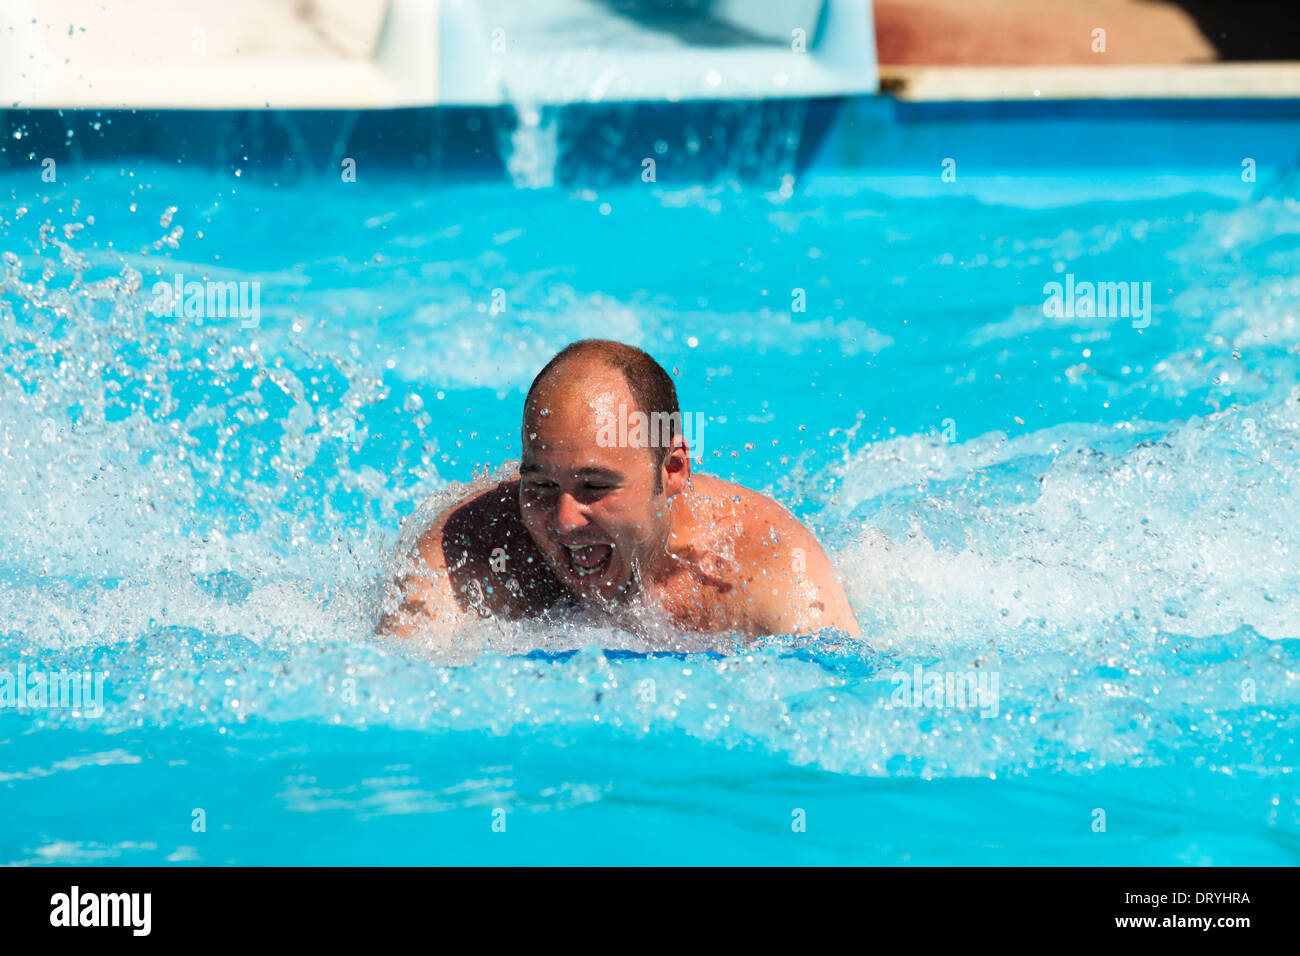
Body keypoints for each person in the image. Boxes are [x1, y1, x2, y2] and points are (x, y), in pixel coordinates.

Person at [381, 339, 860, 643]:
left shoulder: (764, 569)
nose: (565, 520)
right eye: (541, 485)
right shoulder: (471, 549)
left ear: (671, 471)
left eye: (594, 486)